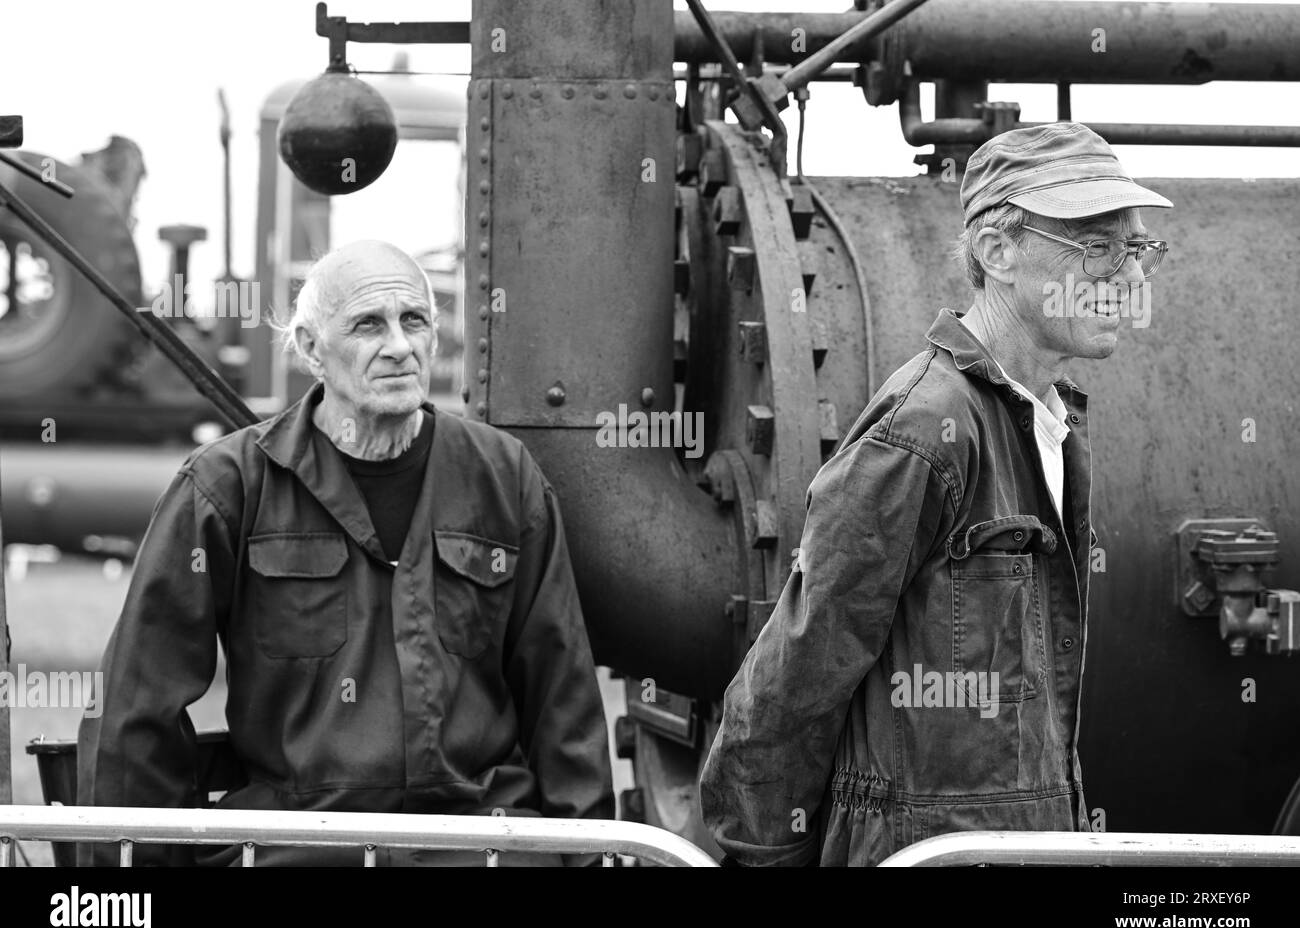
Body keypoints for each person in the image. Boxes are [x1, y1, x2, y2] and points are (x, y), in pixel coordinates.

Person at [699, 123, 1172, 866]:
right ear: (997, 250)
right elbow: (796, 675)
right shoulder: (925, 428)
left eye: (1138, 248)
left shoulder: (1053, 426)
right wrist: (755, 855)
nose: (1129, 276)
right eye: (1098, 245)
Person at [77, 239, 614, 865]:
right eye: (367, 325)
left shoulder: (502, 477)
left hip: (477, 845)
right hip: (295, 847)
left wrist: (589, 856)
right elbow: (137, 703)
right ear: (311, 349)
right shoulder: (227, 487)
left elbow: (562, 695)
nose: (399, 346)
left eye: (414, 320)